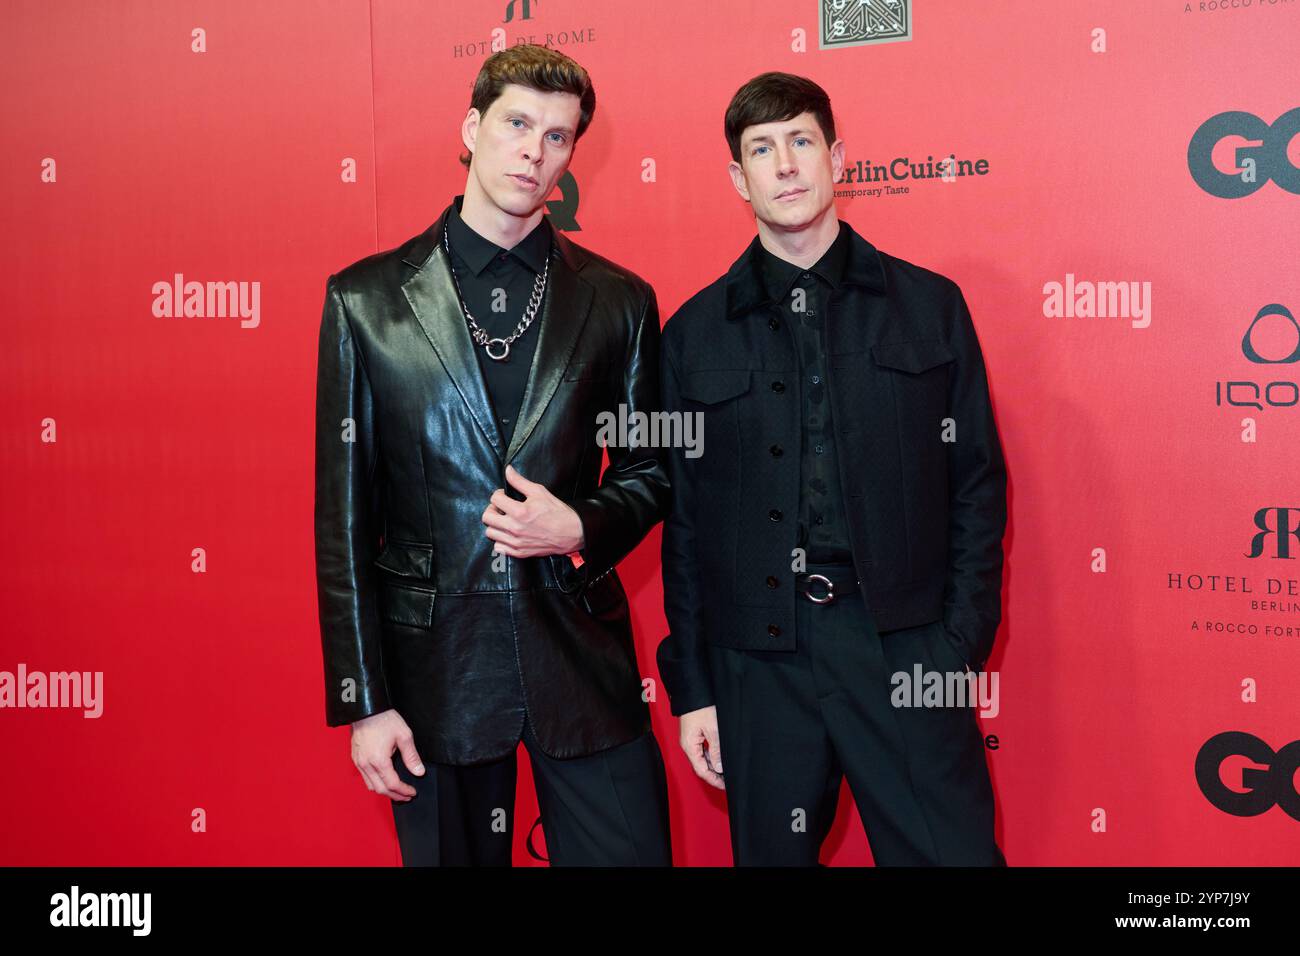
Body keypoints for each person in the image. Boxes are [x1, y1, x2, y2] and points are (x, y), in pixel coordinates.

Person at [314, 43, 671, 866]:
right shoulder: (364, 300)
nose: (533, 151)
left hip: (582, 663)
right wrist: (364, 701)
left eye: (557, 137)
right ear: (471, 129)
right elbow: (343, 521)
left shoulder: (620, 299)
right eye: (516, 124)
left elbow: (656, 472)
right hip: (435, 675)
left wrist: (578, 524)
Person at [656, 71, 1008, 866]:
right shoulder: (694, 335)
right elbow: (685, 523)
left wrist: (956, 645)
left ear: (837, 157)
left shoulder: (931, 306)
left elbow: (978, 485)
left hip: (905, 645)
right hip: (759, 658)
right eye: (762, 149)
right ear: (736, 179)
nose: (784, 165)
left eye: (801, 141)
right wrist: (698, 687)